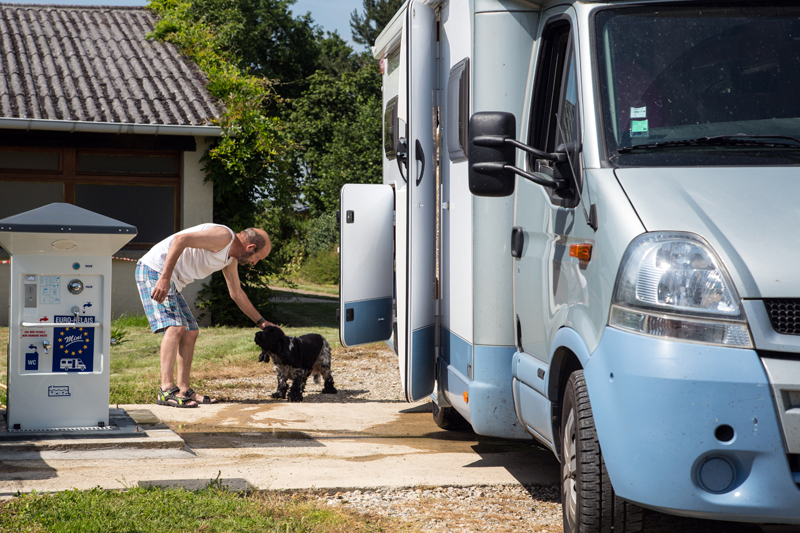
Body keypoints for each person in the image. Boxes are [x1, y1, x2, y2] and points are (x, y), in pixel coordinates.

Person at [135, 223, 278, 408]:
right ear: (250, 248)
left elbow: (236, 292)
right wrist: (164, 278)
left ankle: (184, 389)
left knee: (191, 331)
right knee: (176, 327)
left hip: (171, 280)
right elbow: (180, 239)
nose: (255, 262)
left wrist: (262, 323)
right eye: (258, 257)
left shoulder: (230, 257)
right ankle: (165, 389)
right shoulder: (223, 237)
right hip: (155, 271)